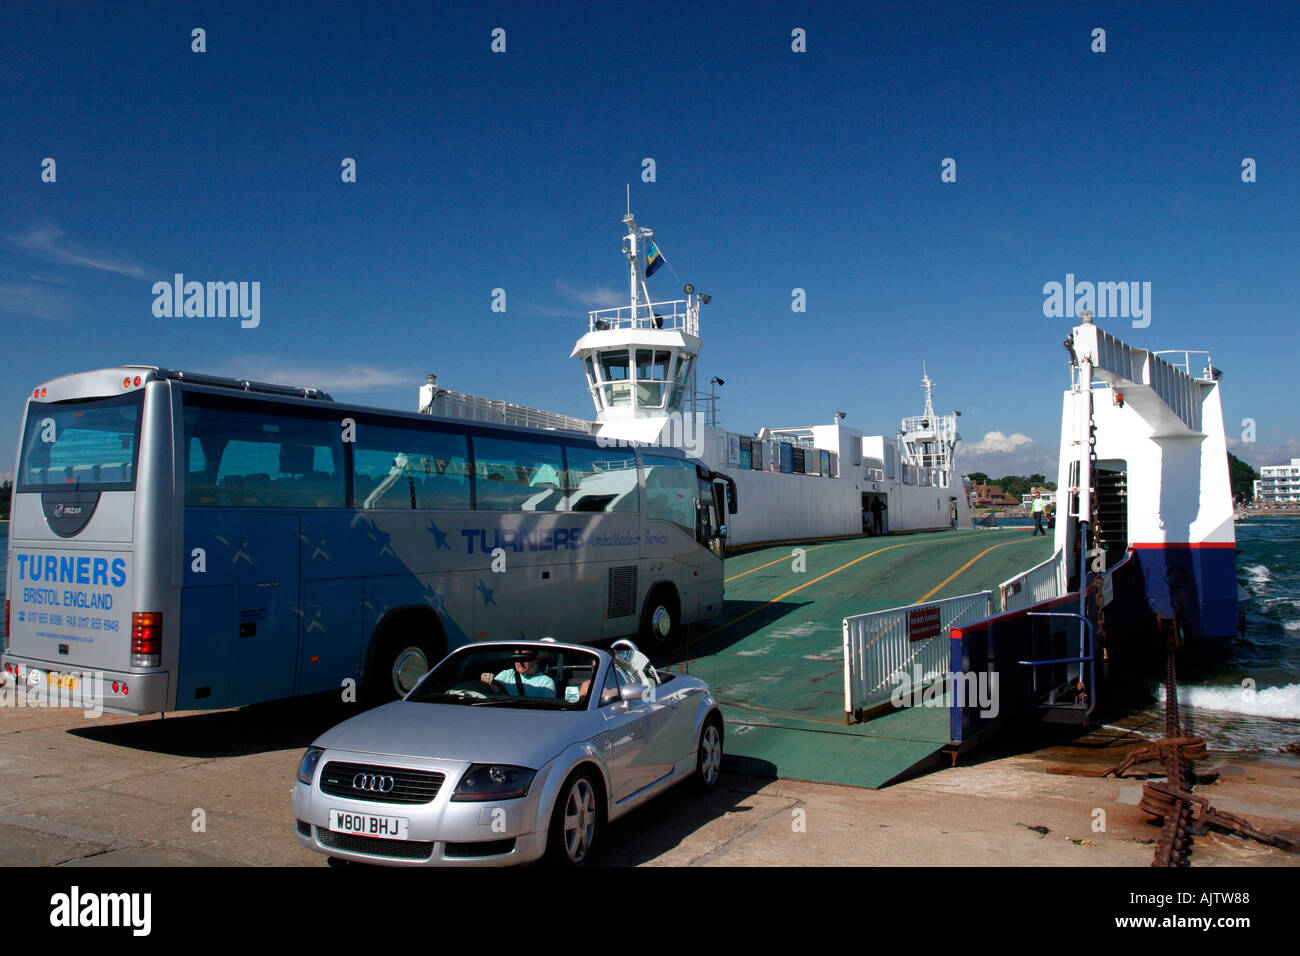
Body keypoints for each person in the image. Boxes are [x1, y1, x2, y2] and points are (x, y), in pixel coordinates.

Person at [481, 649, 556, 697]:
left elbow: (544, 709)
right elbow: (493, 689)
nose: (520, 662)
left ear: (536, 659)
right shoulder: (506, 675)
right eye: (517, 658)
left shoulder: (546, 682)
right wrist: (487, 679)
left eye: (524, 658)